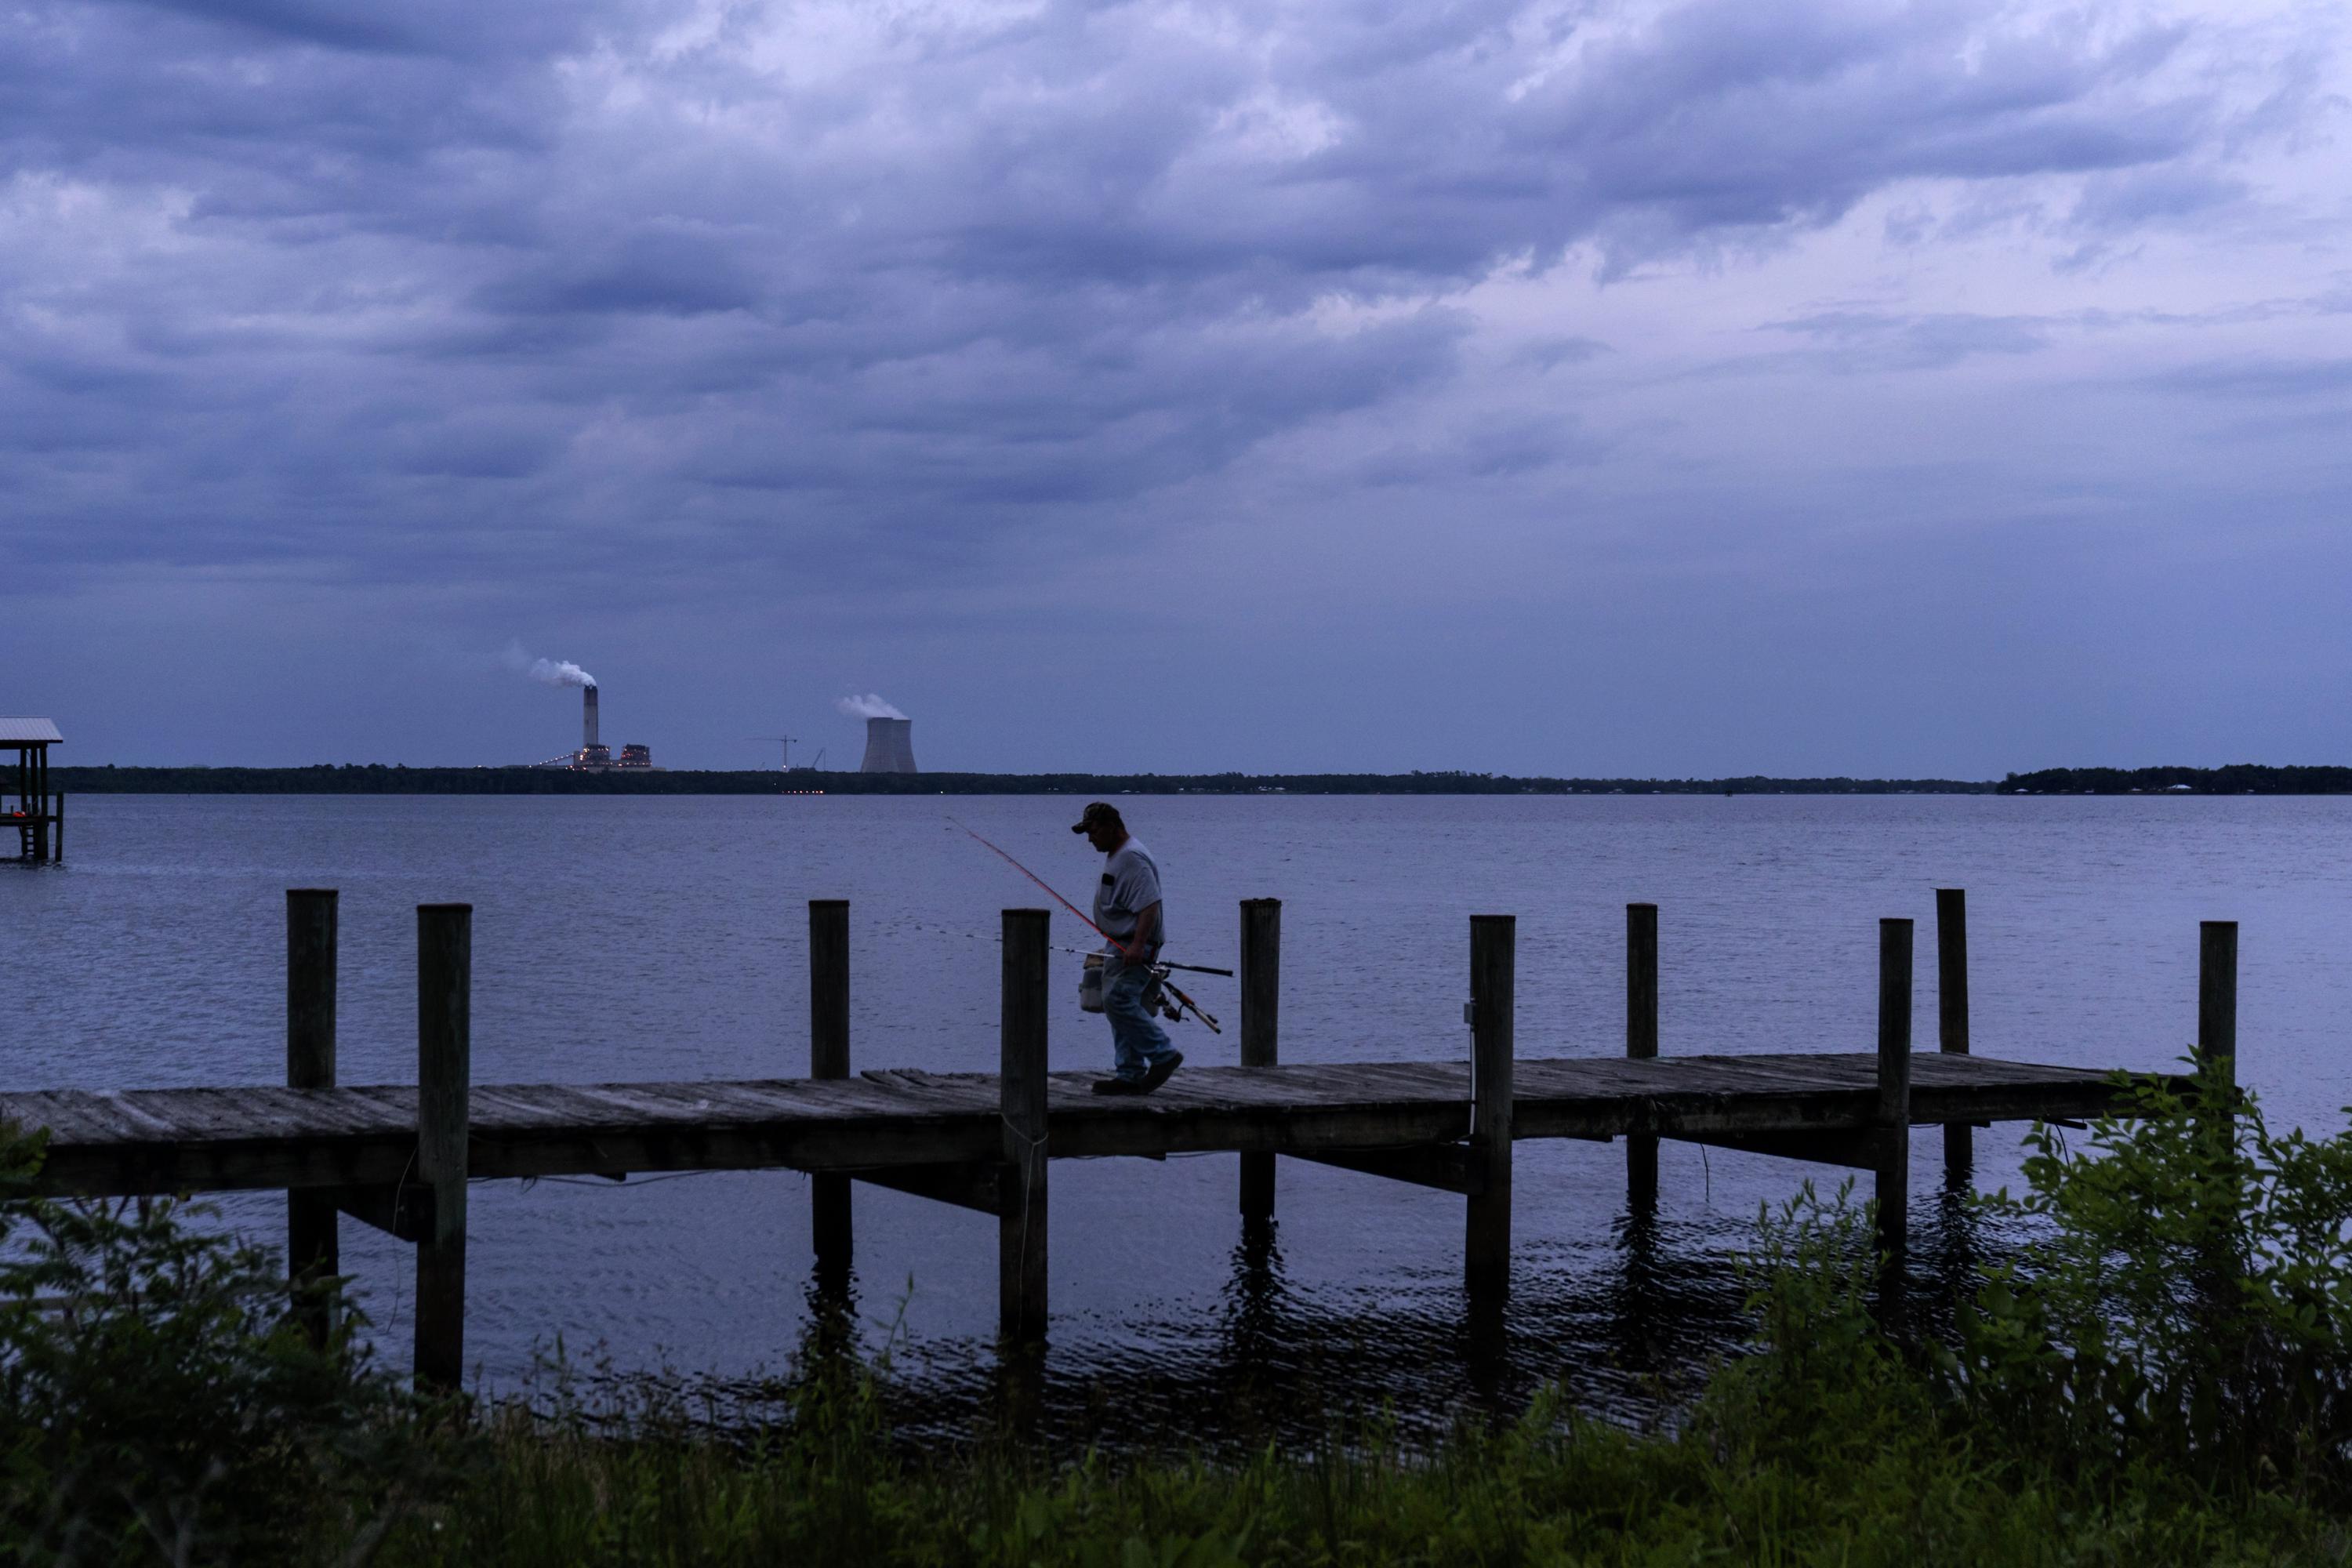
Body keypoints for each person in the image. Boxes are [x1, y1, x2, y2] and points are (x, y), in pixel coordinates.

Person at [1072, 802, 1182, 1094]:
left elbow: (1150, 904)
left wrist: (1137, 944)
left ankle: (1163, 1055)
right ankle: (1129, 1073)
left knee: (1119, 1000)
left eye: (1093, 831)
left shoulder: (1132, 857)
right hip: (1119, 943)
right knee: (1117, 1002)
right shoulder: (1118, 856)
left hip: (1135, 945)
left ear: (1112, 826)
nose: (1090, 838)